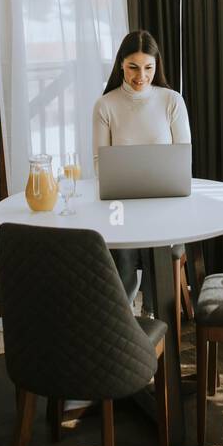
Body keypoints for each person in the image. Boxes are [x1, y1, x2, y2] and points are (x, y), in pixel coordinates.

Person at [92, 29, 190, 313]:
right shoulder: (105, 105)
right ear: (121, 63)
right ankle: (122, 316)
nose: (140, 76)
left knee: (155, 233)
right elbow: (101, 166)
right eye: (133, 67)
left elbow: (183, 160)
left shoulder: (171, 101)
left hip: (164, 205)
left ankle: (151, 312)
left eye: (148, 68)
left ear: (156, 65)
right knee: (122, 239)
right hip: (121, 205)